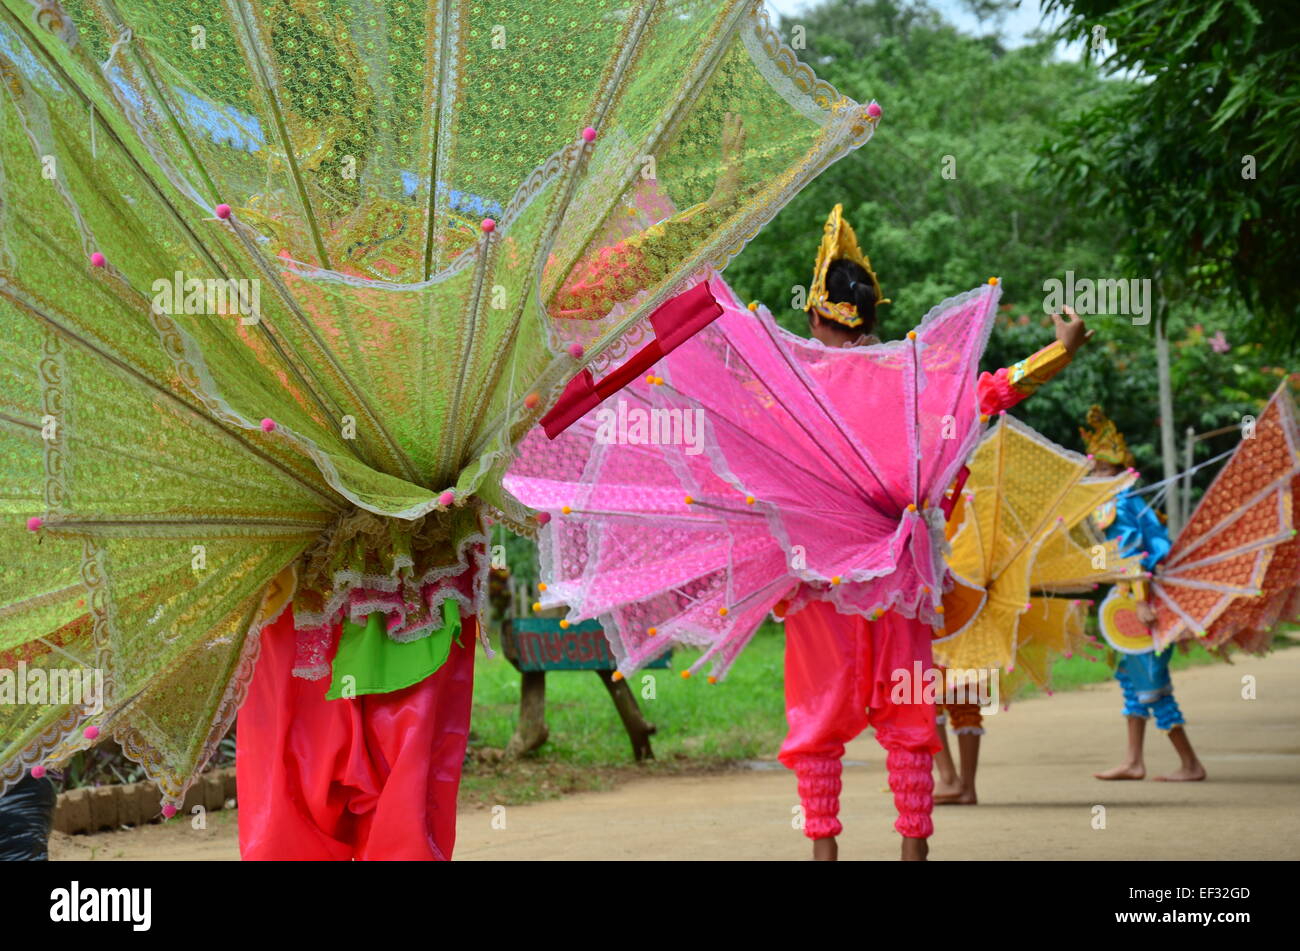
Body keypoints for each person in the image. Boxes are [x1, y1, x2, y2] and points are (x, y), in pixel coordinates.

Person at [778, 206, 1091, 860]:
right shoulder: (911, 379)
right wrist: (1059, 352)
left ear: (815, 315)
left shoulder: (790, 387)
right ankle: (914, 854)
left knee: (817, 716)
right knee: (910, 713)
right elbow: (990, 392)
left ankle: (823, 855)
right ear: (870, 316)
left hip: (820, 575)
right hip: (900, 575)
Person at [1081, 407, 1206, 783]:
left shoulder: (1118, 505)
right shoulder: (1120, 504)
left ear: (1118, 472)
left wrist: (1139, 600)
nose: (1096, 475)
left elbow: (1134, 554)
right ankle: (1134, 761)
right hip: (1128, 600)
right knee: (1131, 682)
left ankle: (1190, 764)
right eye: (1095, 468)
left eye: (1104, 470)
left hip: (1140, 604)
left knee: (1153, 686)